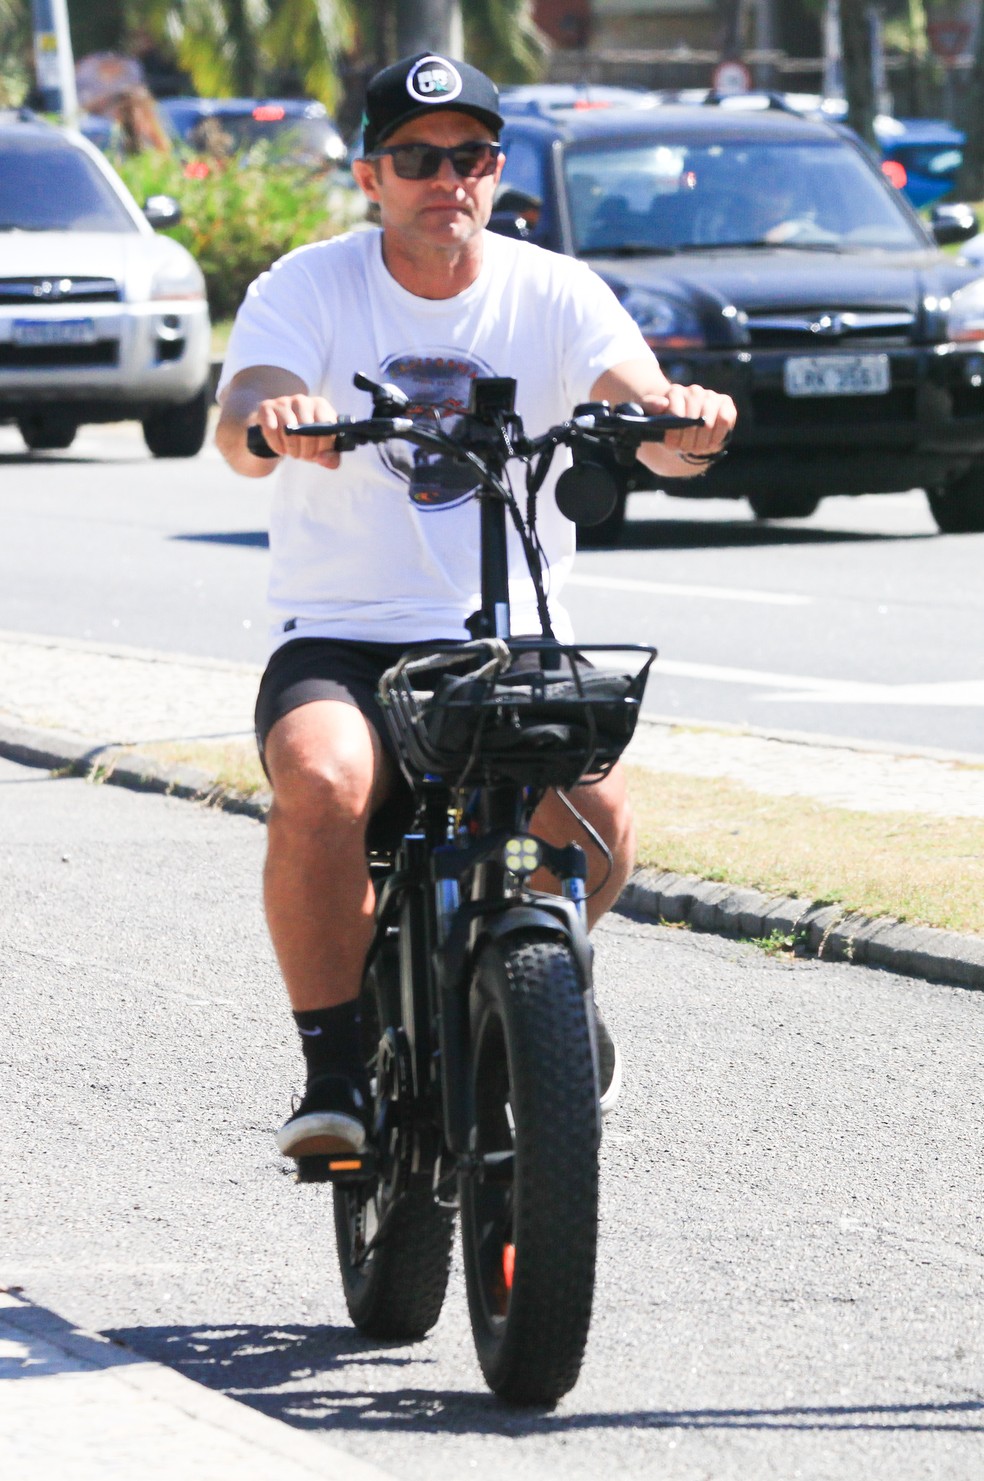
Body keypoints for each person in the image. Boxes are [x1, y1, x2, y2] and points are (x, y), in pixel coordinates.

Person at [215, 53, 736, 1166]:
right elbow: (243, 416)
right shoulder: (309, 284)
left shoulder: (554, 289)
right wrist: (278, 418)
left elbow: (637, 408)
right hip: (343, 636)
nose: (446, 177)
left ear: (497, 171)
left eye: (471, 156)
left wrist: (680, 420)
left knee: (596, 816)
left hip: (506, 638)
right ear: (371, 174)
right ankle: (337, 1066)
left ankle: (541, 975)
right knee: (322, 783)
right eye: (417, 157)